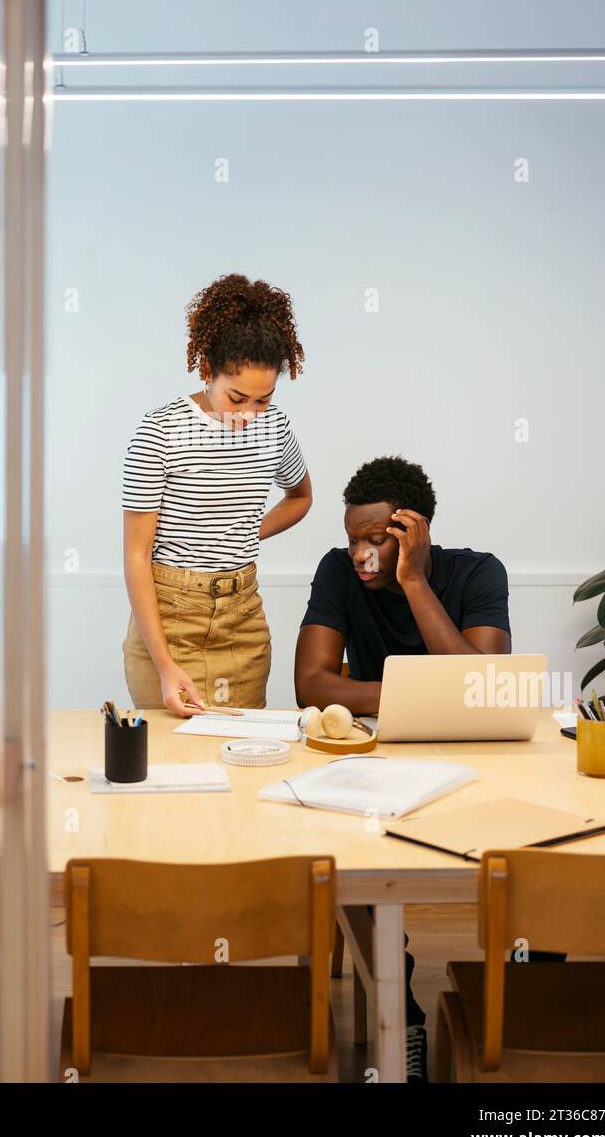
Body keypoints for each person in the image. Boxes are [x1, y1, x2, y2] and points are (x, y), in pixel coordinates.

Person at [294, 455, 512, 1082]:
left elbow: (483, 685)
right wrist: (429, 693)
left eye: (376, 540)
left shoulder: (476, 572)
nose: (360, 555)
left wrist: (414, 583)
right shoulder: (338, 573)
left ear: (413, 531)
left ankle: (520, 1013)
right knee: (350, 862)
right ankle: (405, 1018)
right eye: (353, 539)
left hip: (479, 756)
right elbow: (312, 683)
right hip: (379, 757)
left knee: (532, 850)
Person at [122, 273, 312, 716]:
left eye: (263, 400)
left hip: (242, 618)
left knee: (240, 760)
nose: (249, 414)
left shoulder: (276, 427)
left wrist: (243, 533)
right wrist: (166, 665)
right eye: (237, 397)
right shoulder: (160, 432)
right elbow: (136, 556)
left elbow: (300, 497)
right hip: (170, 619)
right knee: (174, 762)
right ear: (207, 371)